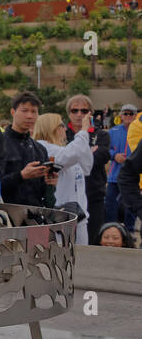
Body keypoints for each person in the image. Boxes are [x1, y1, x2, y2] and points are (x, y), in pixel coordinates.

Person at [34, 114, 92, 244]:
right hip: (59, 216)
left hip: (80, 215)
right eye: (61, 125)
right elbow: (69, 155)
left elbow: (87, 166)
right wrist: (83, 132)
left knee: (82, 259)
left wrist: (82, 142)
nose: (65, 129)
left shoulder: (64, 149)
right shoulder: (43, 148)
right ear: (50, 128)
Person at [0, 92, 59, 208]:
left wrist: (50, 183)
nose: (29, 116)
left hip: (34, 216)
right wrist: (21, 176)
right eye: (25, 110)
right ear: (13, 112)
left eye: (34, 111)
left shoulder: (40, 149)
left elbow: (44, 195)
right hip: (6, 216)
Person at [65, 94, 111, 241]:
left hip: (93, 196)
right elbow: (60, 161)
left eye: (84, 111)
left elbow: (99, 159)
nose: (79, 114)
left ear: (90, 113)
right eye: (75, 110)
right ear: (69, 113)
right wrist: (86, 153)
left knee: (92, 241)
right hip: (66, 197)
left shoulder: (102, 135)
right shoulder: (61, 133)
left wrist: (71, 154)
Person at [106, 103, 137, 232]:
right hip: (114, 175)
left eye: (131, 114)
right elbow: (105, 150)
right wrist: (115, 155)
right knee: (110, 204)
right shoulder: (113, 131)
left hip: (132, 175)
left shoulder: (139, 132)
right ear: (121, 116)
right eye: (125, 113)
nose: (128, 116)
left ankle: (129, 230)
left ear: (135, 116)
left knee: (131, 205)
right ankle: (111, 229)